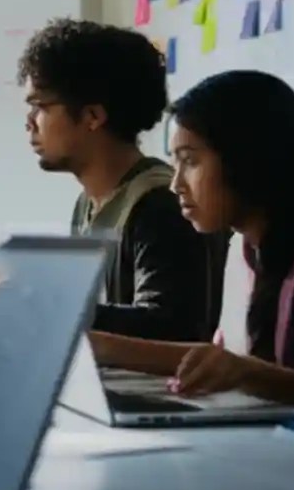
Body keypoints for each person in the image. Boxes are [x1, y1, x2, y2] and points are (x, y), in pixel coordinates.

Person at [91, 70, 294, 405]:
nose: (176, 185)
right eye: (175, 163)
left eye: (190, 161)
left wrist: (249, 374)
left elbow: (242, 370)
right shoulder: (243, 249)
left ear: (246, 158)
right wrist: (98, 346)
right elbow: (218, 362)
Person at [18, 19, 226, 342]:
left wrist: (47, 306)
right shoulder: (88, 204)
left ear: (92, 117)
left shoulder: (161, 205)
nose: (29, 123)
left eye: (40, 106)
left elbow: (169, 328)